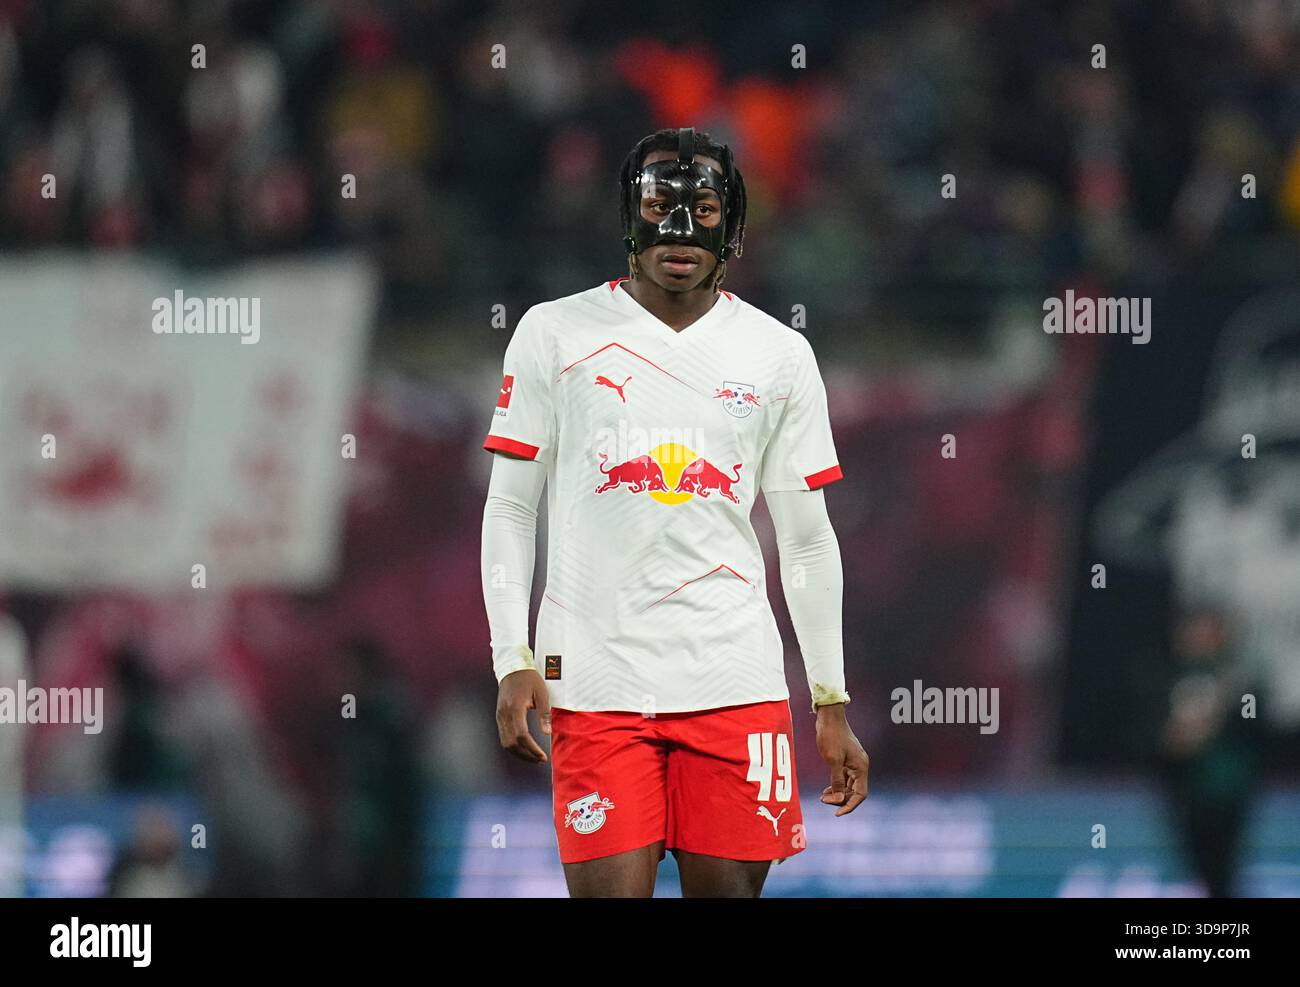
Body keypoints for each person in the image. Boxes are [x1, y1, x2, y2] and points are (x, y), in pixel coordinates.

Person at [480, 127, 868, 897]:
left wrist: (830, 696)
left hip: (735, 680)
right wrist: (512, 657)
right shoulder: (552, 333)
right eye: (660, 204)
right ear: (629, 216)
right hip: (592, 683)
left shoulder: (779, 354)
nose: (680, 230)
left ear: (735, 226)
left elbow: (807, 540)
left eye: (705, 208)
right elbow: (510, 509)